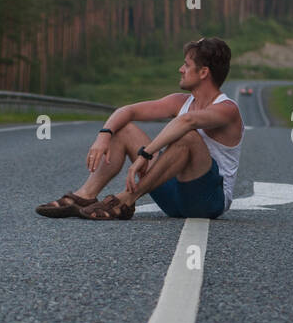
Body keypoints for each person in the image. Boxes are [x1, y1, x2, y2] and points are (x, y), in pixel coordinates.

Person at [35, 37, 243, 220]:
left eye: (186, 65)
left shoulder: (227, 109)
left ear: (204, 72)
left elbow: (186, 122)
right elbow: (128, 111)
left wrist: (146, 154)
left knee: (187, 137)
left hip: (206, 202)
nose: (180, 69)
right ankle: (85, 195)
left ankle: (127, 198)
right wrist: (104, 135)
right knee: (124, 128)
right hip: (174, 199)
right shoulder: (179, 101)